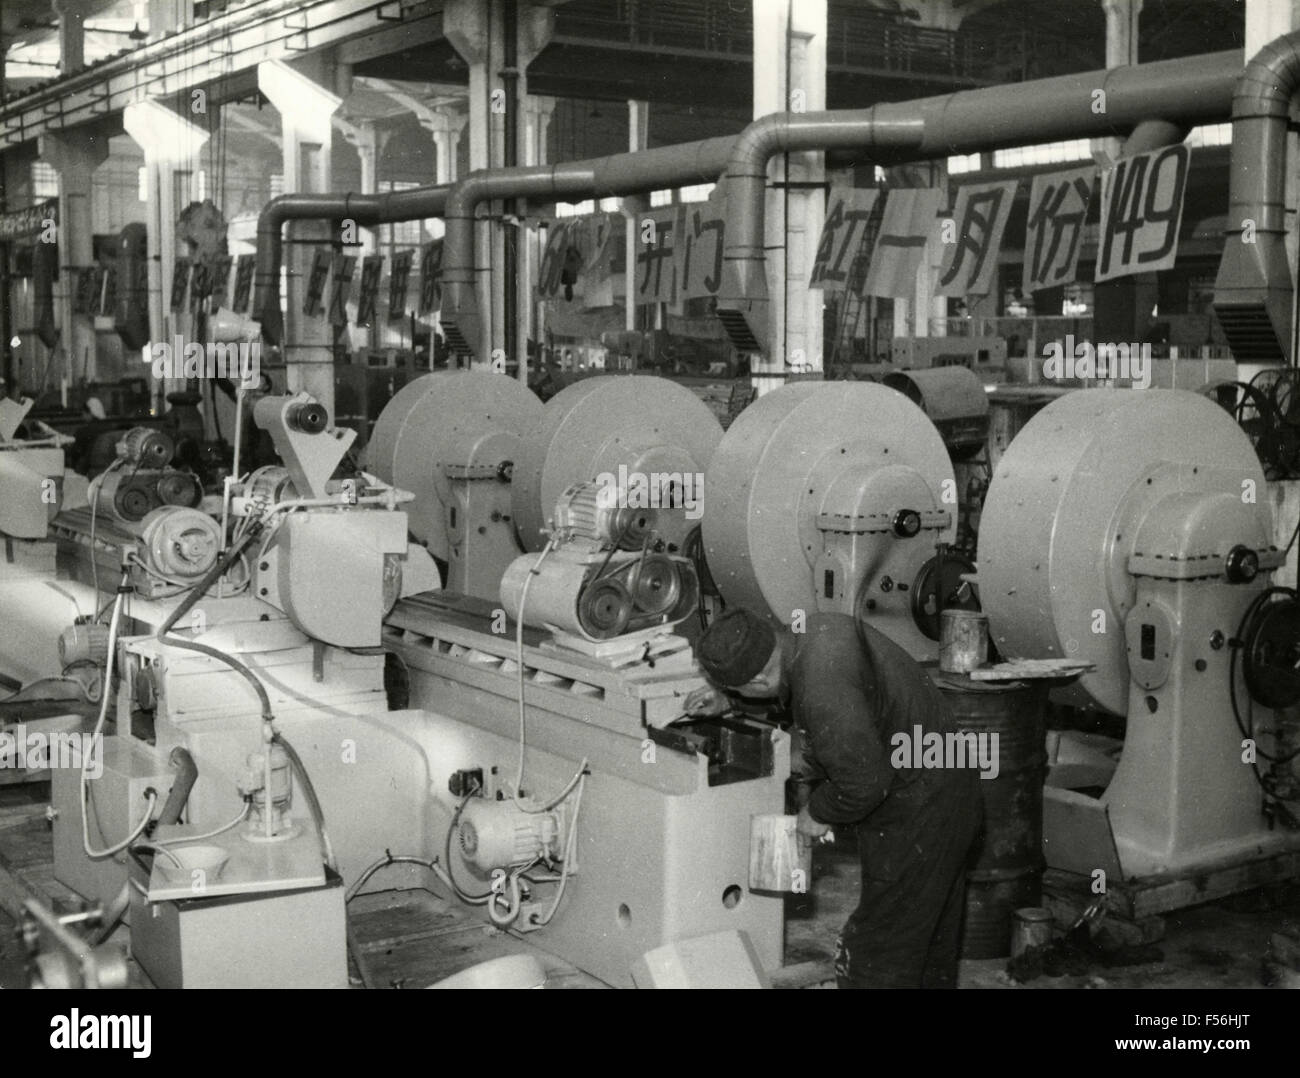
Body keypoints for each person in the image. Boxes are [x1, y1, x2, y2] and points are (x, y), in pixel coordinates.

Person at [685, 608, 982, 989]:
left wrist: (818, 811)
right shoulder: (813, 629)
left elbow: (863, 782)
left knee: (878, 953)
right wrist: (733, 703)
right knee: (927, 943)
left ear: (758, 679)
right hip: (948, 782)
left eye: (737, 689)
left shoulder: (821, 685)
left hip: (921, 808)